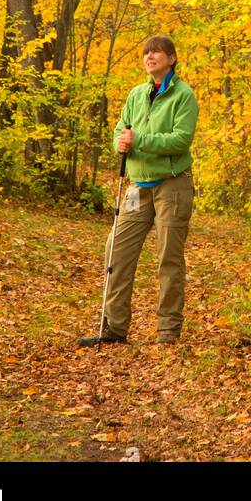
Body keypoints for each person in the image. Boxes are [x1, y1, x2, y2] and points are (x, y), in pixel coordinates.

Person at [78, 35, 199, 346]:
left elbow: (180, 140)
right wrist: (119, 140)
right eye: (146, 52)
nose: (150, 56)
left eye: (157, 51)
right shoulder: (136, 94)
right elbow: (122, 128)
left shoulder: (183, 96)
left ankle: (167, 331)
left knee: (168, 258)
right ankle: (113, 328)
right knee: (115, 251)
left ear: (172, 58)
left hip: (173, 185)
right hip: (137, 186)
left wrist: (138, 140)